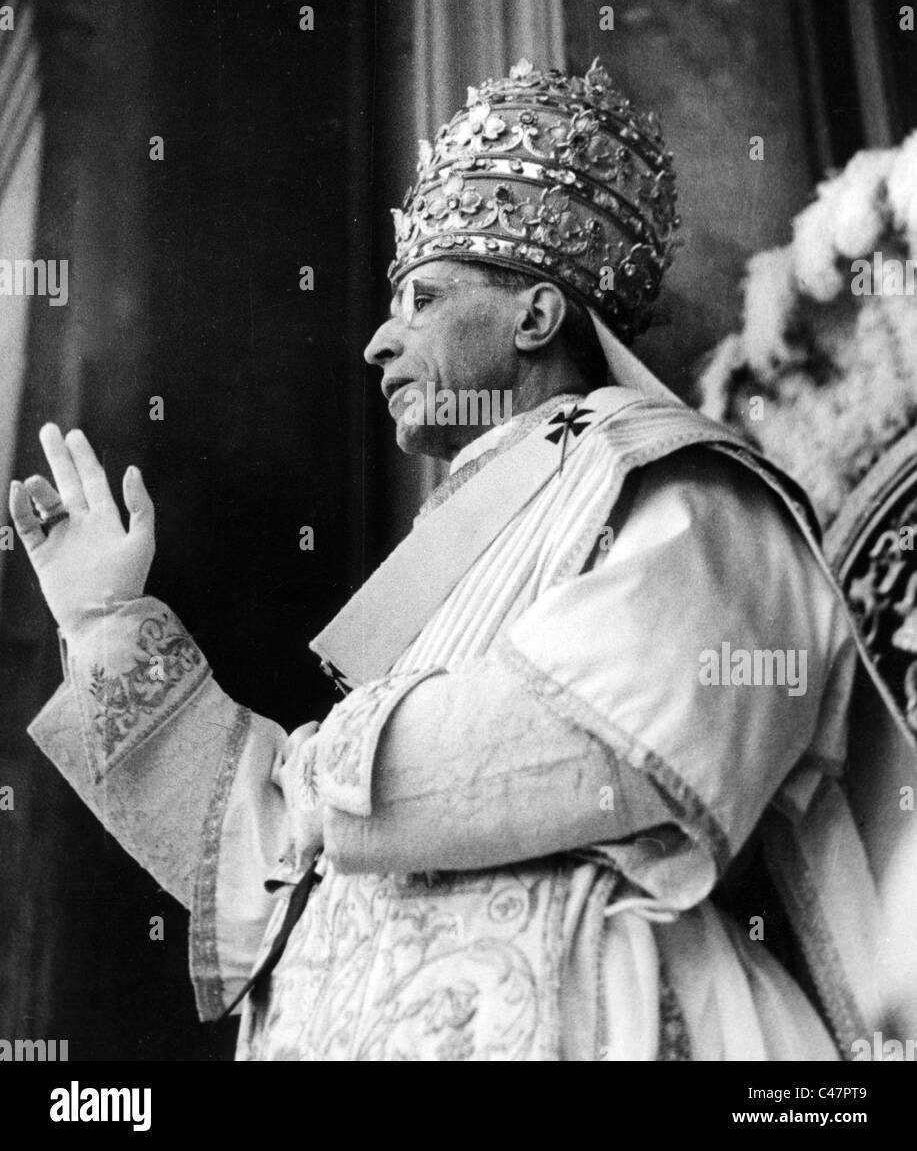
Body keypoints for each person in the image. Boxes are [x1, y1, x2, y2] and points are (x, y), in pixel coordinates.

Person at [10, 59, 916, 1061]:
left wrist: (317, 775)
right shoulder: (461, 566)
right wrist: (104, 624)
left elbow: (611, 740)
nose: (374, 343)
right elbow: (267, 851)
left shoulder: (684, 486)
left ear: (533, 315)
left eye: (422, 298)